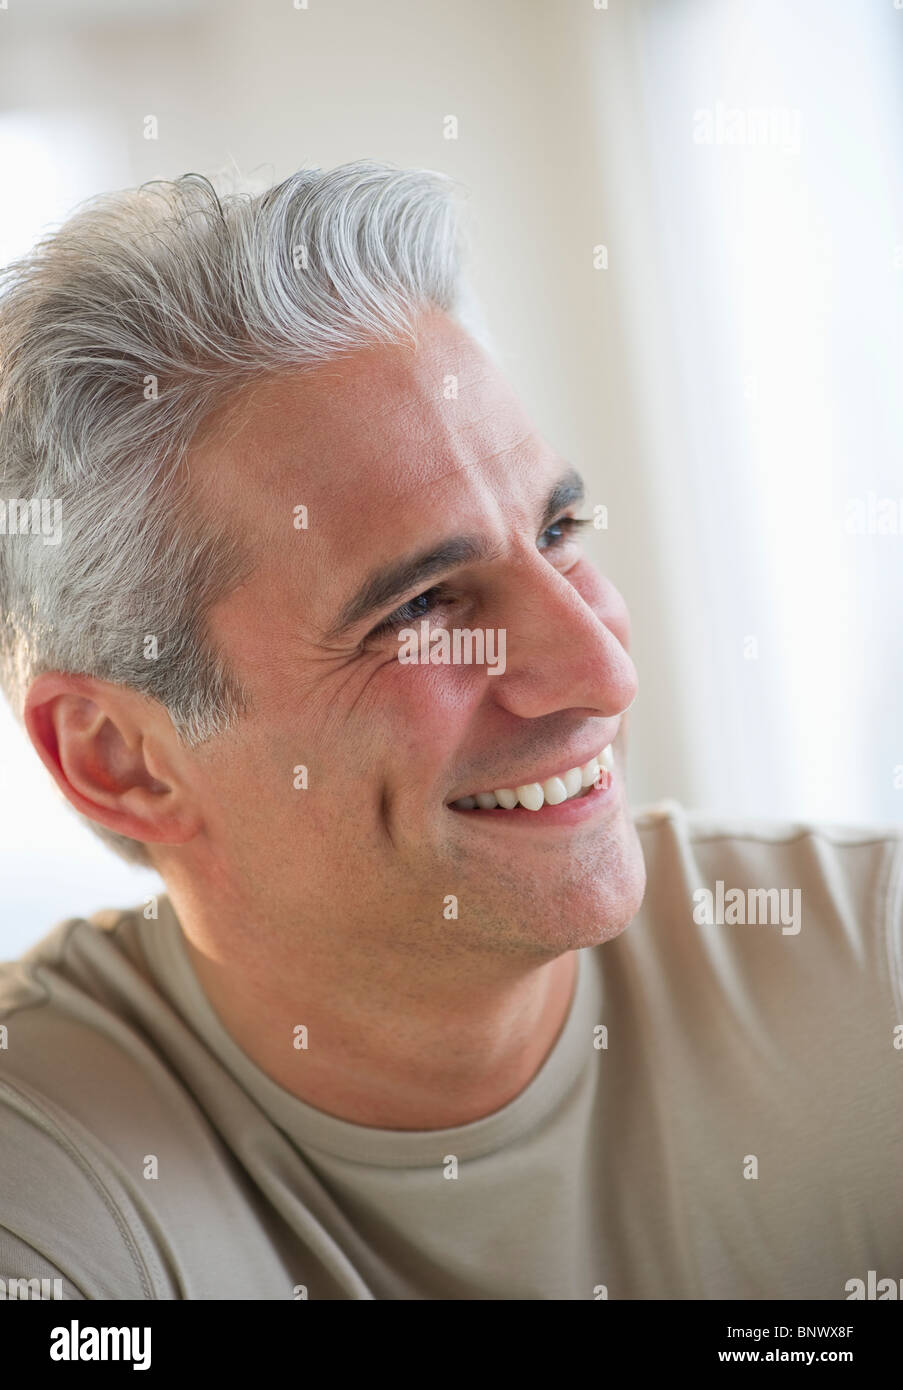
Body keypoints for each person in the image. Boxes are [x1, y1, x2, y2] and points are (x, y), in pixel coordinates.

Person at [0, 162, 899, 1301]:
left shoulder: (876, 971)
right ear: (119, 758)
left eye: (561, 529)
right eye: (422, 607)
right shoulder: (43, 1193)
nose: (603, 673)